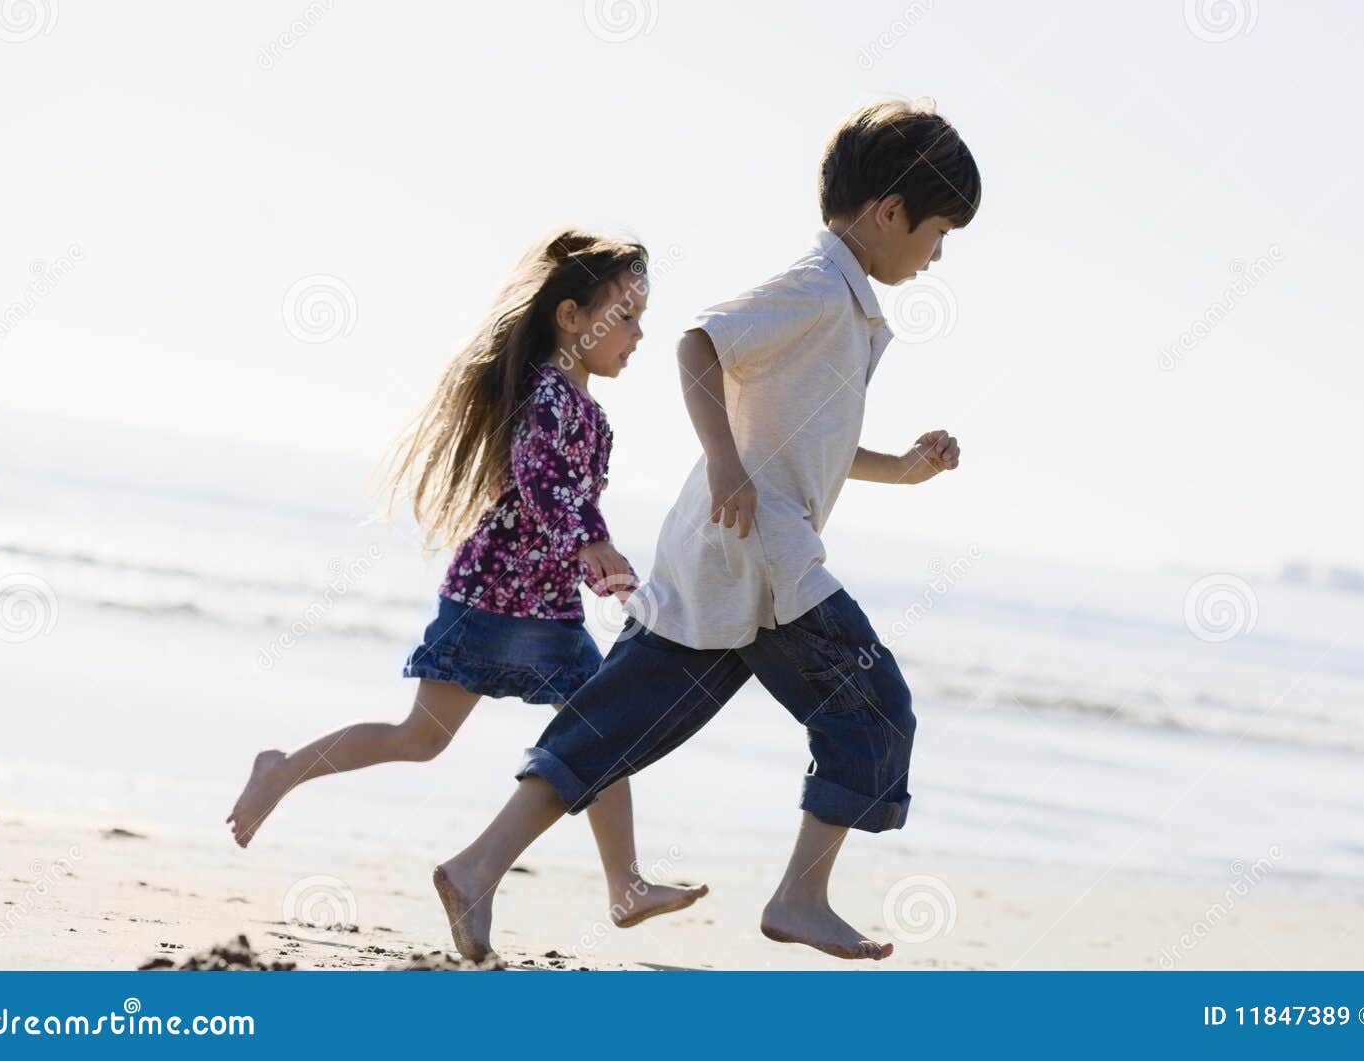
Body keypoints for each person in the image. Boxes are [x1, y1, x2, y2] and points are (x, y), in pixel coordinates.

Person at [433, 99, 979, 962]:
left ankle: (476, 866)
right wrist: (722, 460)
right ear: (890, 214)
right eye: (939, 230)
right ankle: (800, 896)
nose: (940, 252)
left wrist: (901, 466)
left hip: (721, 563)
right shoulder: (815, 288)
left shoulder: (844, 303)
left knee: (611, 724)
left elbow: (805, 442)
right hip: (767, 560)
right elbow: (697, 346)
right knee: (874, 710)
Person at [226, 229, 707, 930]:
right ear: (571, 316)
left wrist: (602, 561)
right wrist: (589, 542)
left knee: (596, 728)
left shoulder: (591, 416)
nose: (638, 333)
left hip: (545, 611)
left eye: (641, 318)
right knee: (422, 737)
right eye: (625, 315)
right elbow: (542, 483)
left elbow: (574, 501)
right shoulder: (546, 395)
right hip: (489, 602)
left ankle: (622, 883)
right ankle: (282, 769)